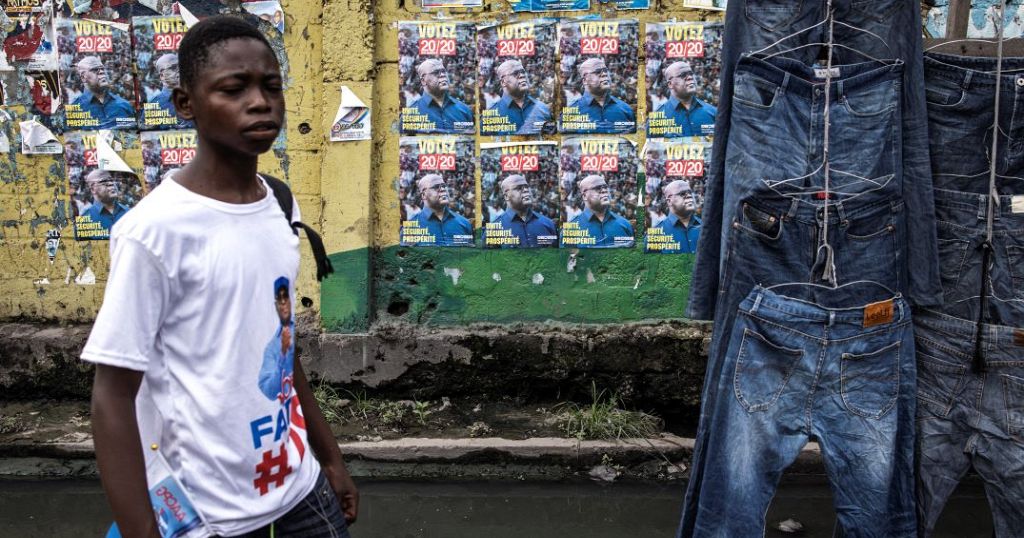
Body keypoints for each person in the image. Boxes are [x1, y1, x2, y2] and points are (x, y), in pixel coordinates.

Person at [83, 16, 357, 538]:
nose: (261, 102)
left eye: (271, 87)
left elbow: (281, 347)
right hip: (205, 515)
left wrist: (331, 459)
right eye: (234, 89)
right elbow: (112, 397)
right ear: (186, 104)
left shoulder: (279, 202)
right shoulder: (153, 233)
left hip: (300, 492)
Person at [568, 58, 635, 132]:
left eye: (605, 70)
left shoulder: (626, 109)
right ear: (585, 80)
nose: (604, 74)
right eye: (597, 72)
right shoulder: (571, 113)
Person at [569, 174, 634, 247]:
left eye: (605, 187)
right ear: (584, 196)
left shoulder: (624, 224)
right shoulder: (570, 229)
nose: (604, 191)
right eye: (597, 188)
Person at [488, 59, 551, 135]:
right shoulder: (490, 115)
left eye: (523, 72)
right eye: (515, 73)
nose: (522, 75)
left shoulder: (542, 109)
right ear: (503, 82)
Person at [71, 56, 135, 129]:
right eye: (95, 70)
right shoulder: (74, 110)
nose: (101, 72)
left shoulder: (124, 105)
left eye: (102, 69)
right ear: (83, 77)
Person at [410, 58, 473, 132]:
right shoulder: (410, 115)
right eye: (436, 72)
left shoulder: (464, 110)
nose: (442, 75)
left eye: (443, 71)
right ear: (423, 80)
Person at [493, 174, 556, 248]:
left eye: (526, 187)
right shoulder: (495, 228)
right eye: (518, 188)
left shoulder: (547, 223)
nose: (526, 190)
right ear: (506, 196)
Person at [655, 61, 716, 136]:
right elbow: (650, 146)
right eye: (683, 75)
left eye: (691, 74)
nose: (690, 77)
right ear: (670, 84)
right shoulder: (657, 118)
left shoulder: (713, 112)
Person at [410, 173, 473, 246]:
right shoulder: (410, 228)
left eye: (443, 186)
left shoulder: (464, 223)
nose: (443, 189)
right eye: (436, 187)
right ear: (424, 195)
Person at [654, 179, 701, 253]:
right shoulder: (657, 233)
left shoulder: (705, 227)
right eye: (682, 194)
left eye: (690, 192)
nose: (689, 196)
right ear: (669, 201)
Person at [148, 53, 193, 129]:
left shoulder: (196, 99)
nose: (179, 70)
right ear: (162, 76)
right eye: (173, 67)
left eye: (180, 66)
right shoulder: (154, 105)